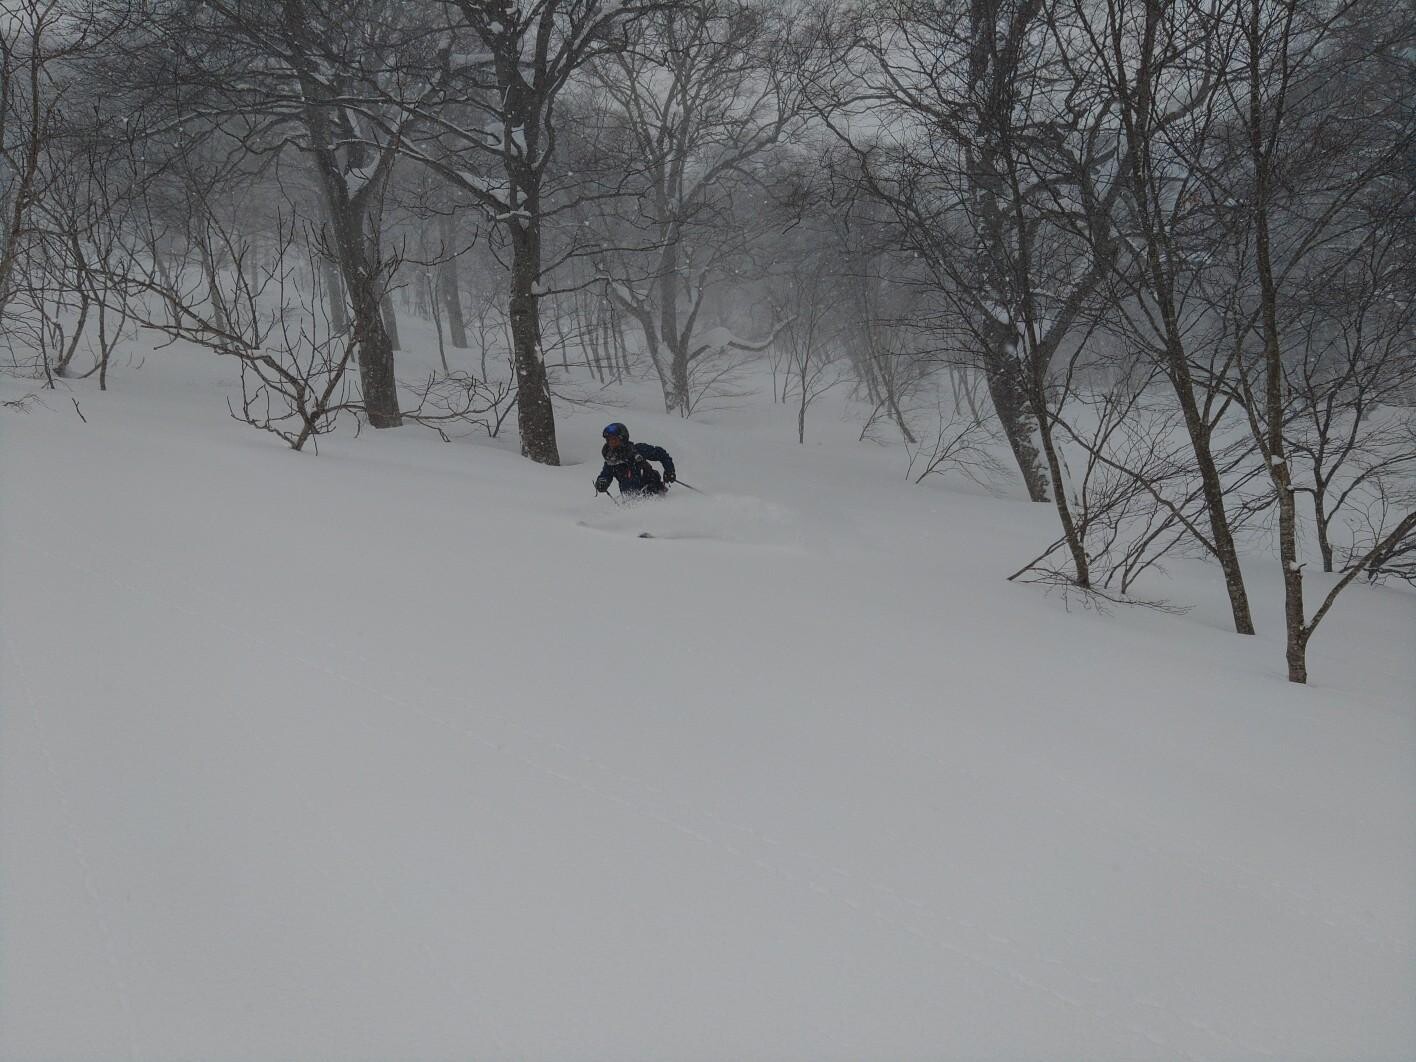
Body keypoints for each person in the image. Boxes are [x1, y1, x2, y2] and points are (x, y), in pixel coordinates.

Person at [594, 422, 676, 498]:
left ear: (623, 439)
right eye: (609, 440)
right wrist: (602, 481)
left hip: (655, 494)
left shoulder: (637, 450)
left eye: (614, 440)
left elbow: (661, 454)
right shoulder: (611, 460)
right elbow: (606, 474)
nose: (611, 443)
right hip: (630, 500)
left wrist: (669, 471)